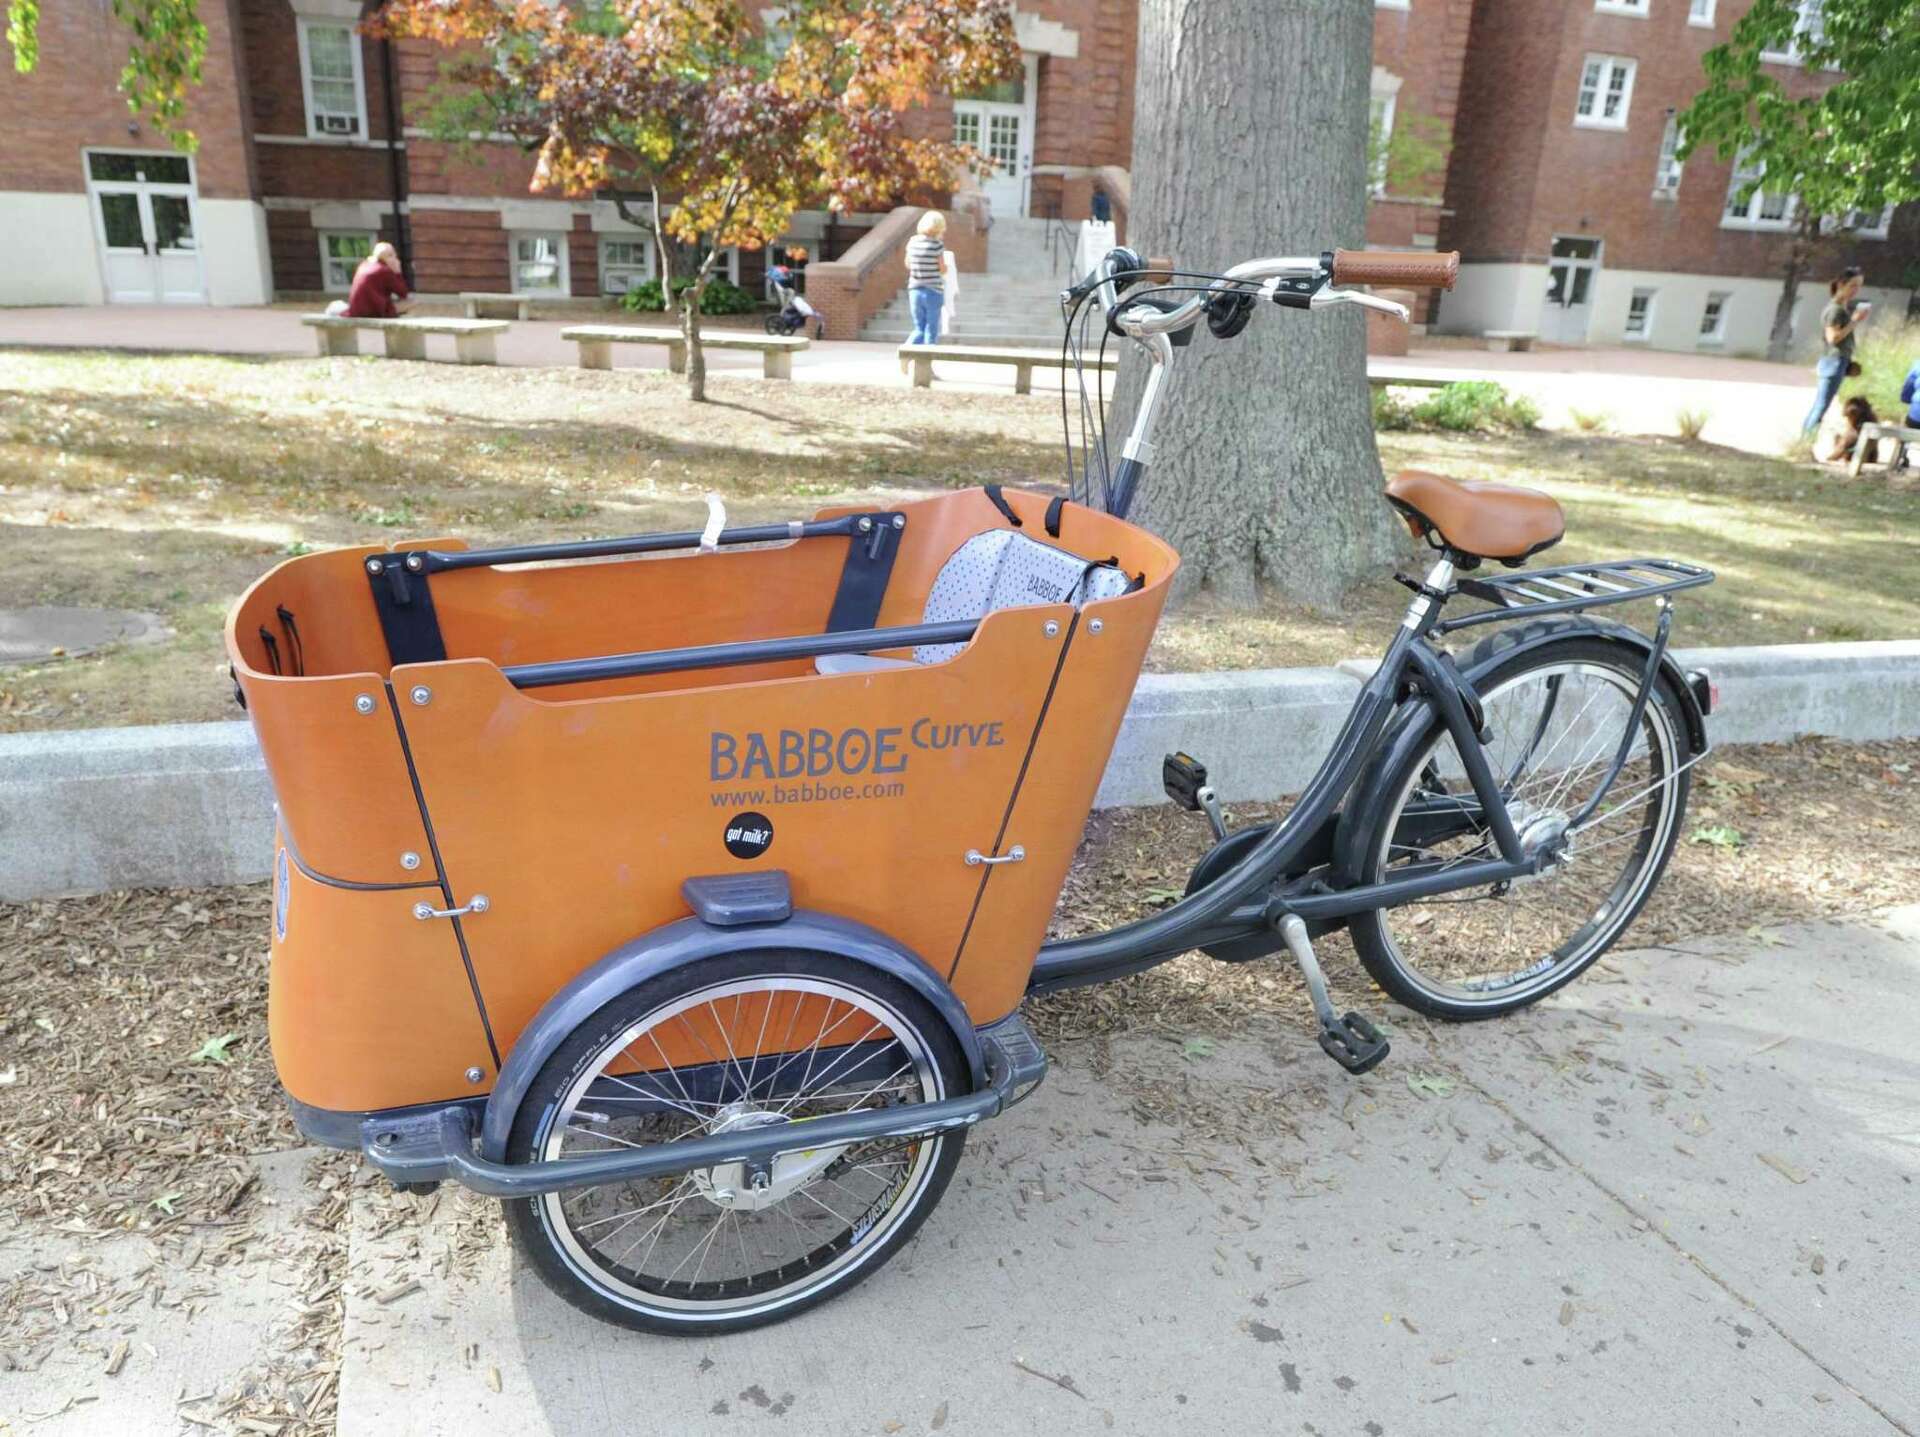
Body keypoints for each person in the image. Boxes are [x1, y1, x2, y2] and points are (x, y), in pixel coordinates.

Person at [1803, 266, 1869, 434]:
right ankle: (1805, 441)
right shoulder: (1835, 310)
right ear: (1841, 284)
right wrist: (1854, 321)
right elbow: (1833, 338)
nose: (1856, 290)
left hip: (1837, 361)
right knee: (1821, 405)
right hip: (1833, 361)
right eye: (1853, 285)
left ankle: (1805, 440)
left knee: (1822, 404)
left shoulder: (1841, 308)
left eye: (1859, 286)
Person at [904, 210, 957, 346]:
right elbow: (942, 269)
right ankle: (925, 363)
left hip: (914, 291)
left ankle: (905, 353)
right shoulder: (937, 245)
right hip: (933, 291)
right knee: (931, 330)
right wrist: (947, 267)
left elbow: (908, 264)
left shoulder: (912, 242)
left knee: (919, 329)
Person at [343, 242, 411, 319]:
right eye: (392, 256)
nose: (395, 259)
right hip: (373, 313)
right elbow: (403, 293)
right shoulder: (384, 270)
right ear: (385, 257)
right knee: (411, 302)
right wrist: (398, 272)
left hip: (355, 311)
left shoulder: (364, 265)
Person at [1813, 394, 1878, 465]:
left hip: (1858, 457)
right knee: (1838, 437)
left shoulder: (1855, 430)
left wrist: (1828, 459)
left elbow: (1842, 448)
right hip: (1870, 456)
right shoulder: (1872, 419)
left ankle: (1845, 459)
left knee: (1839, 437)